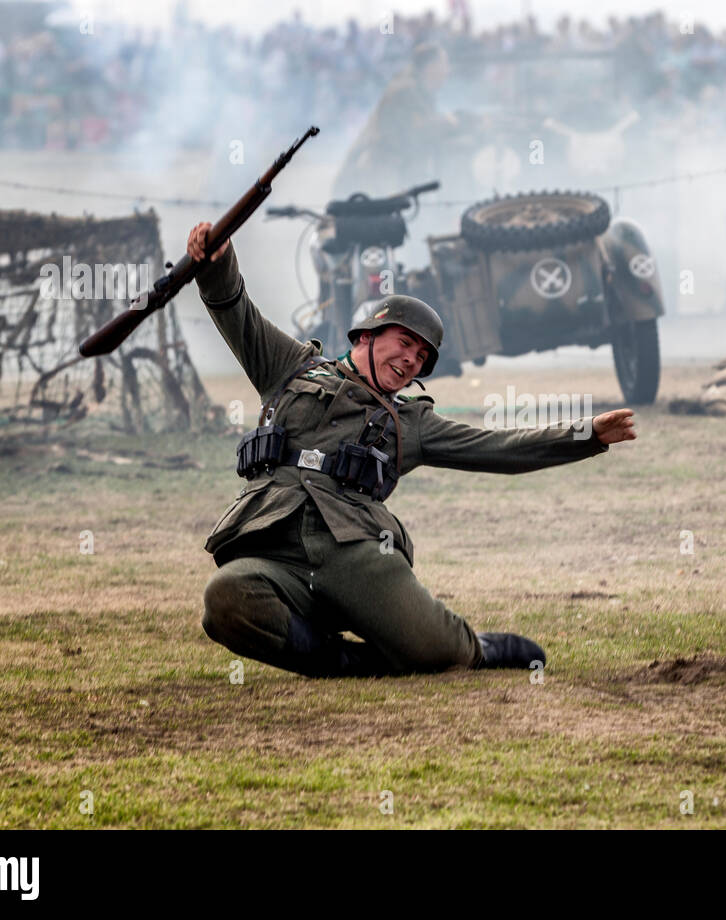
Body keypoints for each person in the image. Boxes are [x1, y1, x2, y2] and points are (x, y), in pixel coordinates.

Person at [188, 222, 636, 678]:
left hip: (354, 554)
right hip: (273, 546)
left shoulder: (411, 422)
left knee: (437, 651)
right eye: (404, 343)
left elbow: (499, 448)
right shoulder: (290, 366)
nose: (410, 360)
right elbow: (233, 308)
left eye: (421, 357)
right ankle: (341, 664)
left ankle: (479, 647)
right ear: (365, 336)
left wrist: (587, 435)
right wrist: (218, 262)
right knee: (224, 599)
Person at [331, 41, 458, 199]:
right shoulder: (405, 91)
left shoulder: (419, 91)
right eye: (444, 64)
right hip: (375, 174)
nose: (448, 71)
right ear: (431, 67)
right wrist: (447, 122)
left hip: (388, 172)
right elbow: (415, 132)